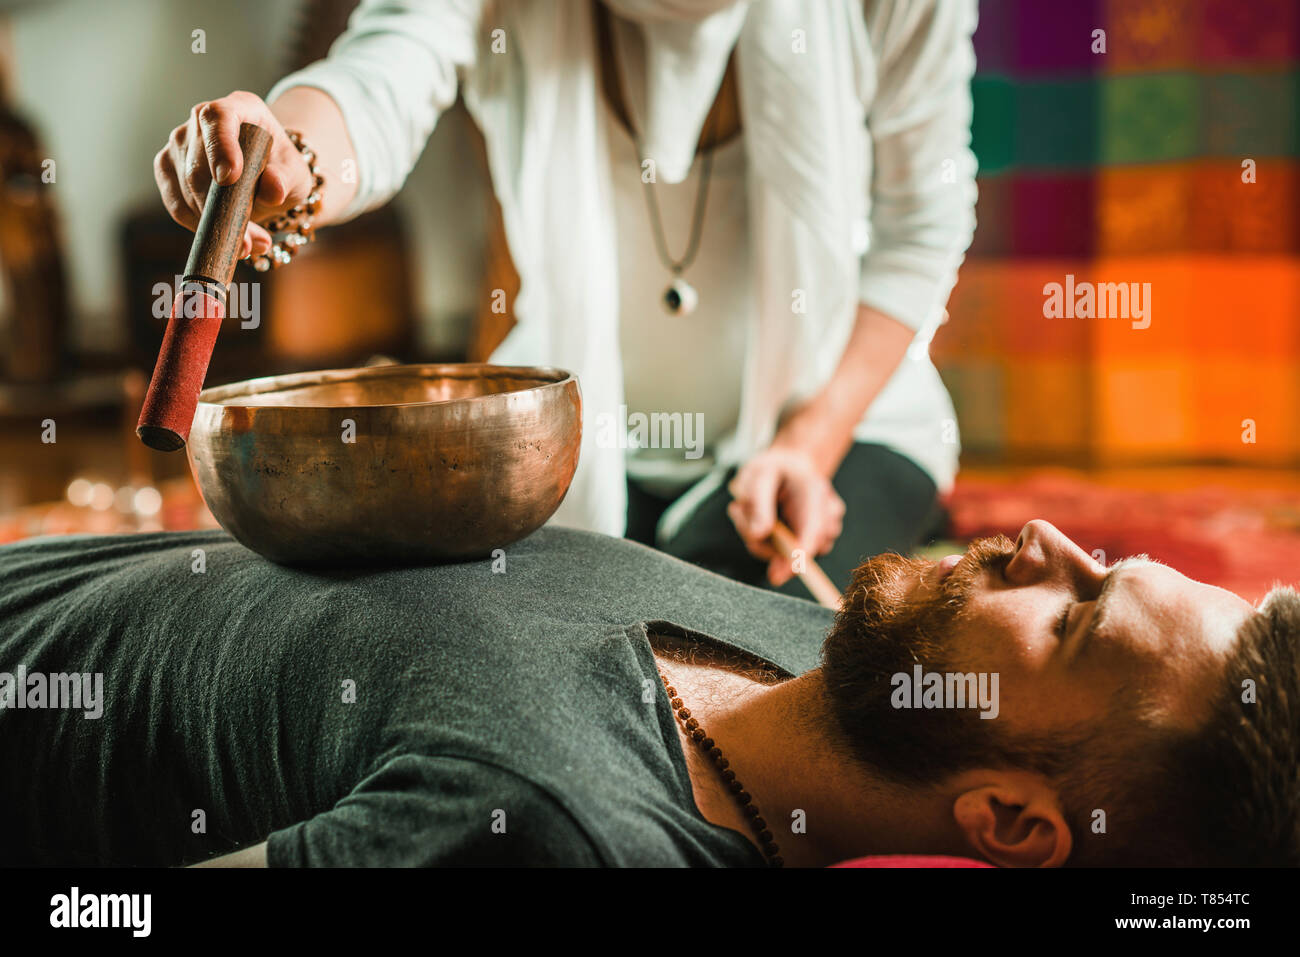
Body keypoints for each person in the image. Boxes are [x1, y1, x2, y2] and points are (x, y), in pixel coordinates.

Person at [152, 0, 979, 598]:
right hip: (570, 439)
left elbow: (923, 226)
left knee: (736, 635)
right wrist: (284, 151)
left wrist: (808, 440)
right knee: (484, 626)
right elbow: (379, 80)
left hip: (841, 427)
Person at [1, 520, 1294, 867]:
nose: (1045, 538)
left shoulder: (559, 829)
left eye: (1074, 617)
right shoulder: (828, 650)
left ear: (1011, 822)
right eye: (1100, 562)